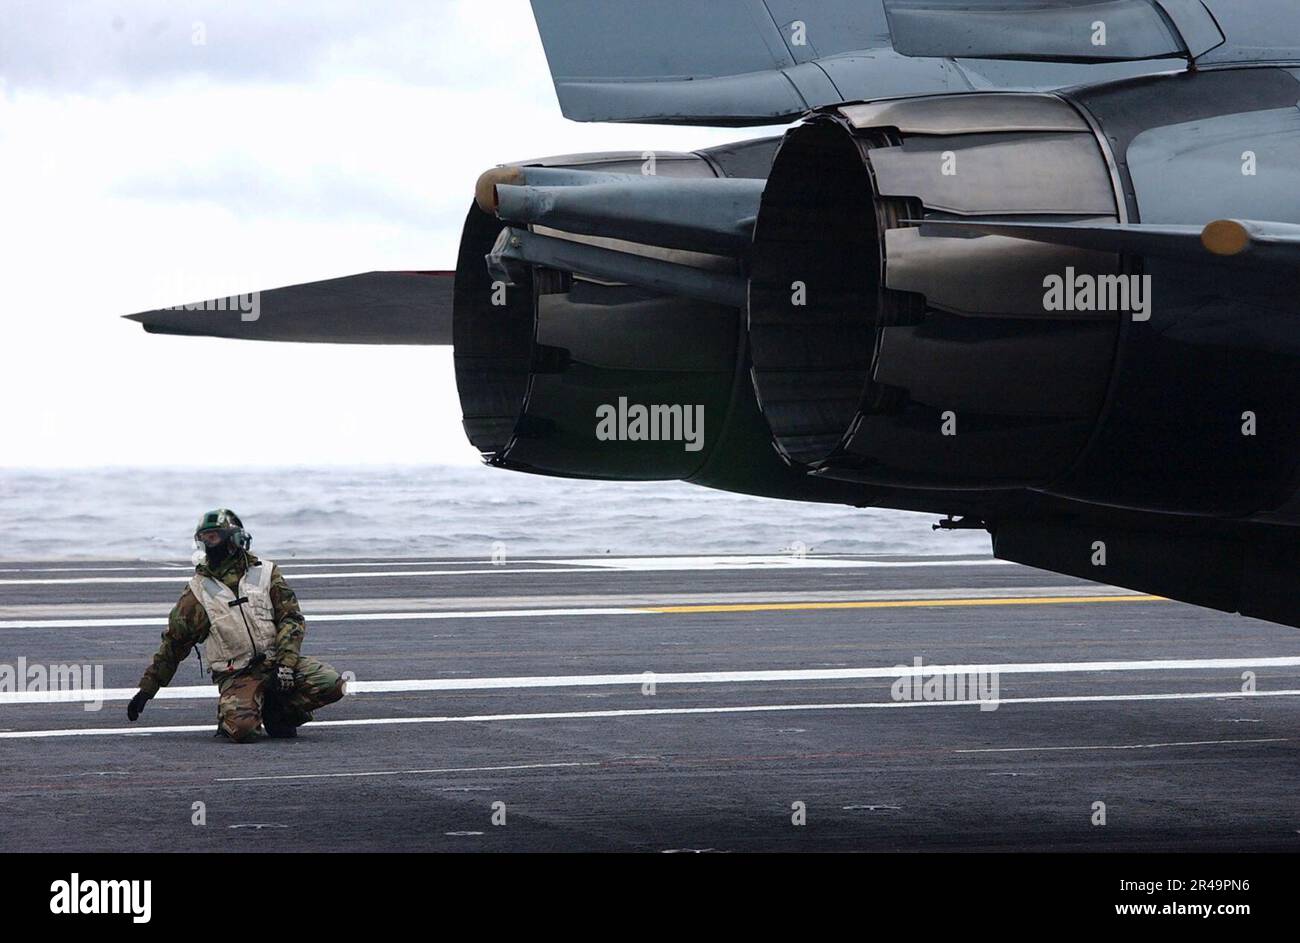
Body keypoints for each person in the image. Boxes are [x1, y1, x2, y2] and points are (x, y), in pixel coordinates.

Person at [125, 508, 345, 741]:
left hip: (277, 663)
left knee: (333, 684)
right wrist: (147, 690)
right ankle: (235, 714)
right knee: (243, 731)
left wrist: (286, 664)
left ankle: (279, 713)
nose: (208, 544)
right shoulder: (198, 593)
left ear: (234, 537)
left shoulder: (266, 573)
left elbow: (291, 618)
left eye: (214, 537)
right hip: (237, 674)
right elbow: (174, 643)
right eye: (203, 539)